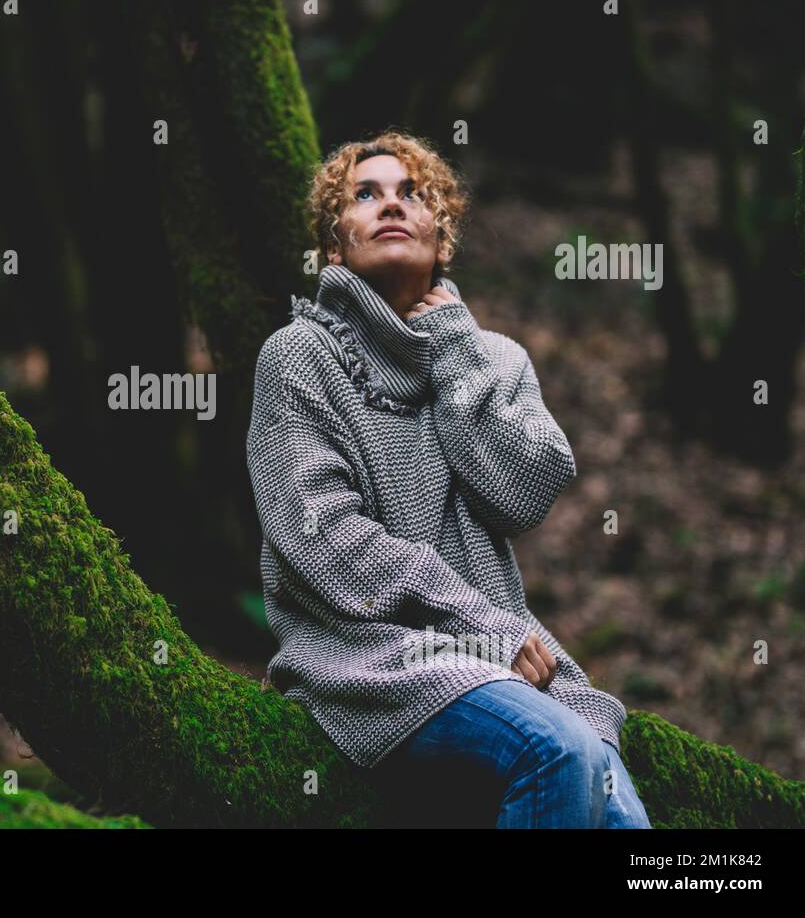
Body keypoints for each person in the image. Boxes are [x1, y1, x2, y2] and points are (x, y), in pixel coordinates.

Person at [245, 128, 651, 828]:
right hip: (367, 660)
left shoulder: (492, 355)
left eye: (412, 193)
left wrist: (456, 352)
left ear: (443, 241)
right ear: (335, 247)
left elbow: (525, 489)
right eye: (365, 194)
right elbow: (326, 540)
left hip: (498, 660)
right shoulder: (298, 356)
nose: (391, 204)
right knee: (557, 750)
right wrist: (479, 622)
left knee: (625, 816)